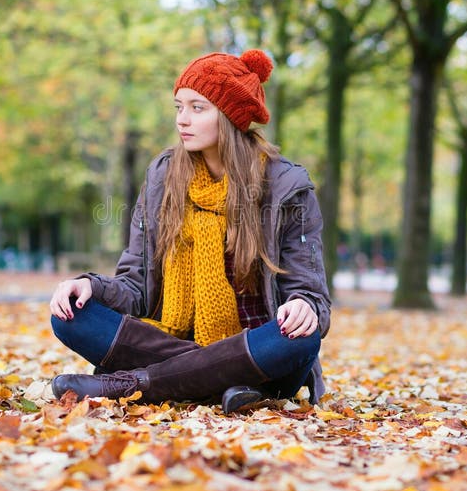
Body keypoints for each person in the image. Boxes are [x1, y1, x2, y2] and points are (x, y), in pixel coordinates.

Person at [49, 48, 331, 414]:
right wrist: (91, 286)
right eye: (179, 107)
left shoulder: (285, 186)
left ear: (229, 116)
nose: (183, 119)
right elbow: (136, 287)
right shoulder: (163, 177)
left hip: (259, 349)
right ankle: (230, 386)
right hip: (190, 346)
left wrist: (303, 305)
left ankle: (132, 384)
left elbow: (311, 293)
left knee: (300, 339)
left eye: (198, 108)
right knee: (70, 315)